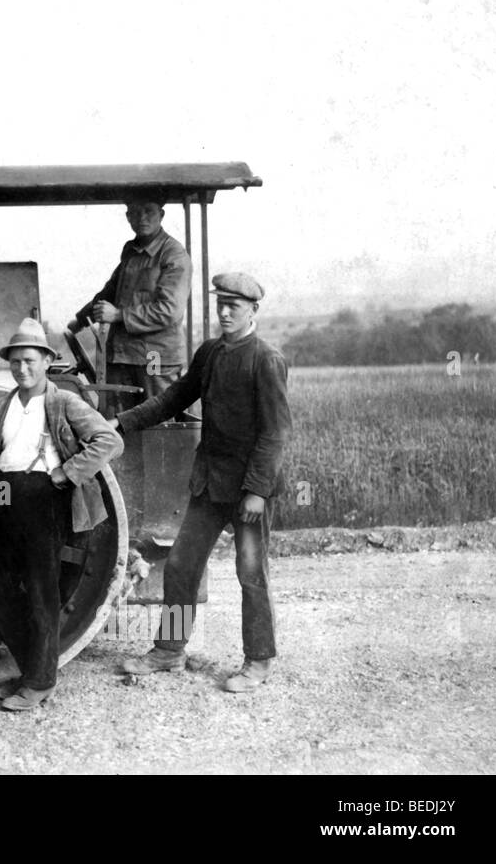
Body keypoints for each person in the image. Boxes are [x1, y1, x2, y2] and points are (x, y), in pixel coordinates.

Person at [115, 272, 291, 692]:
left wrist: (257, 492)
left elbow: (275, 433)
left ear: (253, 311)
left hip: (250, 490)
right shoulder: (210, 353)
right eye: (220, 304)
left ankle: (259, 660)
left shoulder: (266, 360)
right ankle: (170, 650)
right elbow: (175, 397)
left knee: (251, 572)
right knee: (180, 566)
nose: (225, 311)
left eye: (234, 305)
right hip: (210, 484)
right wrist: (122, 422)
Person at [0, 318, 124, 711]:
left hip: (43, 499)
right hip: (3, 498)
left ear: (47, 361)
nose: (22, 369)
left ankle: (40, 683)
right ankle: (30, 669)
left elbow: (109, 440)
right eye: (16, 362)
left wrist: (65, 473)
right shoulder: (0, 408)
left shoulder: (63, 402)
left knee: (40, 594)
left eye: (30, 360)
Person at [67, 194, 192, 415]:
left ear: (161, 215)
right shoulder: (131, 250)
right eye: (135, 212)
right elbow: (111, 291)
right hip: (123, 356)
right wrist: (80, 320)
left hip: (156, 359)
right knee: (118, 422)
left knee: (157, 420)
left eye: (149, 211)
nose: (141, 218)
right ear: (127, 217)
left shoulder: (173, 255)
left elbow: (169, 310)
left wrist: (118, 316)